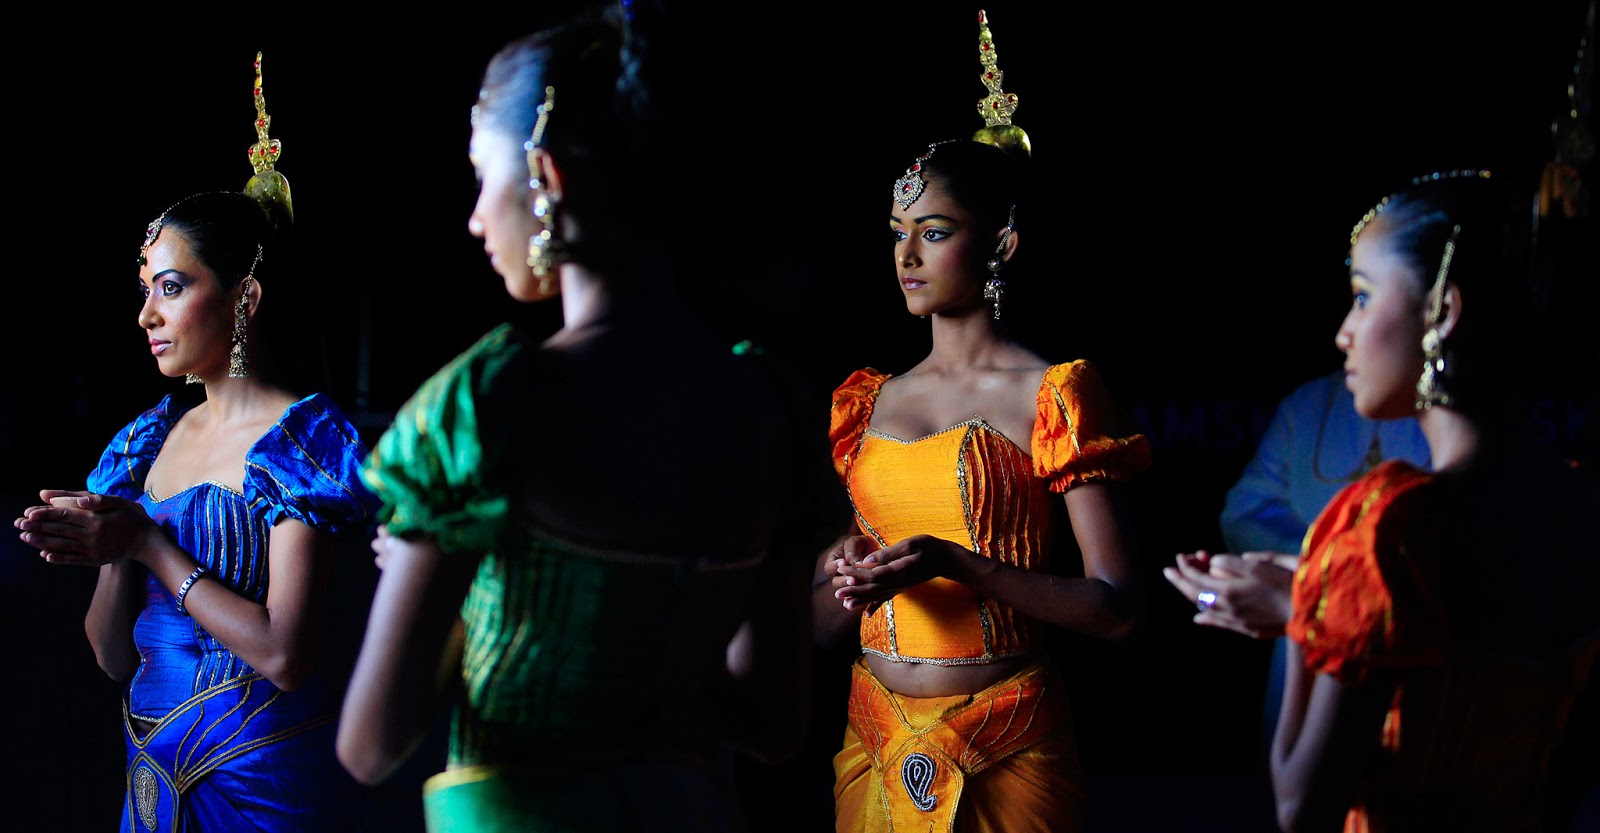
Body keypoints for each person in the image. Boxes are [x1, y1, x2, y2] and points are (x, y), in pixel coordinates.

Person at [334, 9, 823, 832]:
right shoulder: (769, 409)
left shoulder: (491, 407)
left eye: (482, 178)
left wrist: (469, 606)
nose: (475, 218)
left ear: (546, 175)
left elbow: (370, 743)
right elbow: (773, 726)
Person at [1169, 170, 1600, 832]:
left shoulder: (1393, 523)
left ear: (1442, 312)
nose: (1344, 332)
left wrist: (1310, 613)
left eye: (1363, 298)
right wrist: (1316, 586)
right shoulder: (1579, 504)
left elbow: (1300, 806)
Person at [12, 56, 378, 833]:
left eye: (171, 287)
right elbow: (112, 656)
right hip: (150, 775)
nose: (147, 314)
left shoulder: (301, 443)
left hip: (265, 781)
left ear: (245, 296)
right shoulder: (144, 443)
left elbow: (284, 654)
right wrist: (111, 545)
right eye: (145, 289)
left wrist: (148, 543)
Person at [814, 12, 1150, 832]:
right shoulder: (868, 401)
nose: (907, 257)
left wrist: (959, 564)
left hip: (1009, 749)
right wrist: (839, 570)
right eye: (898, 235)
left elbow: (1117, 607)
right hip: (873, 740)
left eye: (934, 234)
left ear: (1002, 243)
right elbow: (817, 623)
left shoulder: (1053, 394)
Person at [1218, 368, 1431, 743]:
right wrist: (1322, 570)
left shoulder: (1451, 418)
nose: (1343, 338)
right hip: (1312, 622)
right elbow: (1245, 511)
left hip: (1414, 637)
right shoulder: (1308, 405)